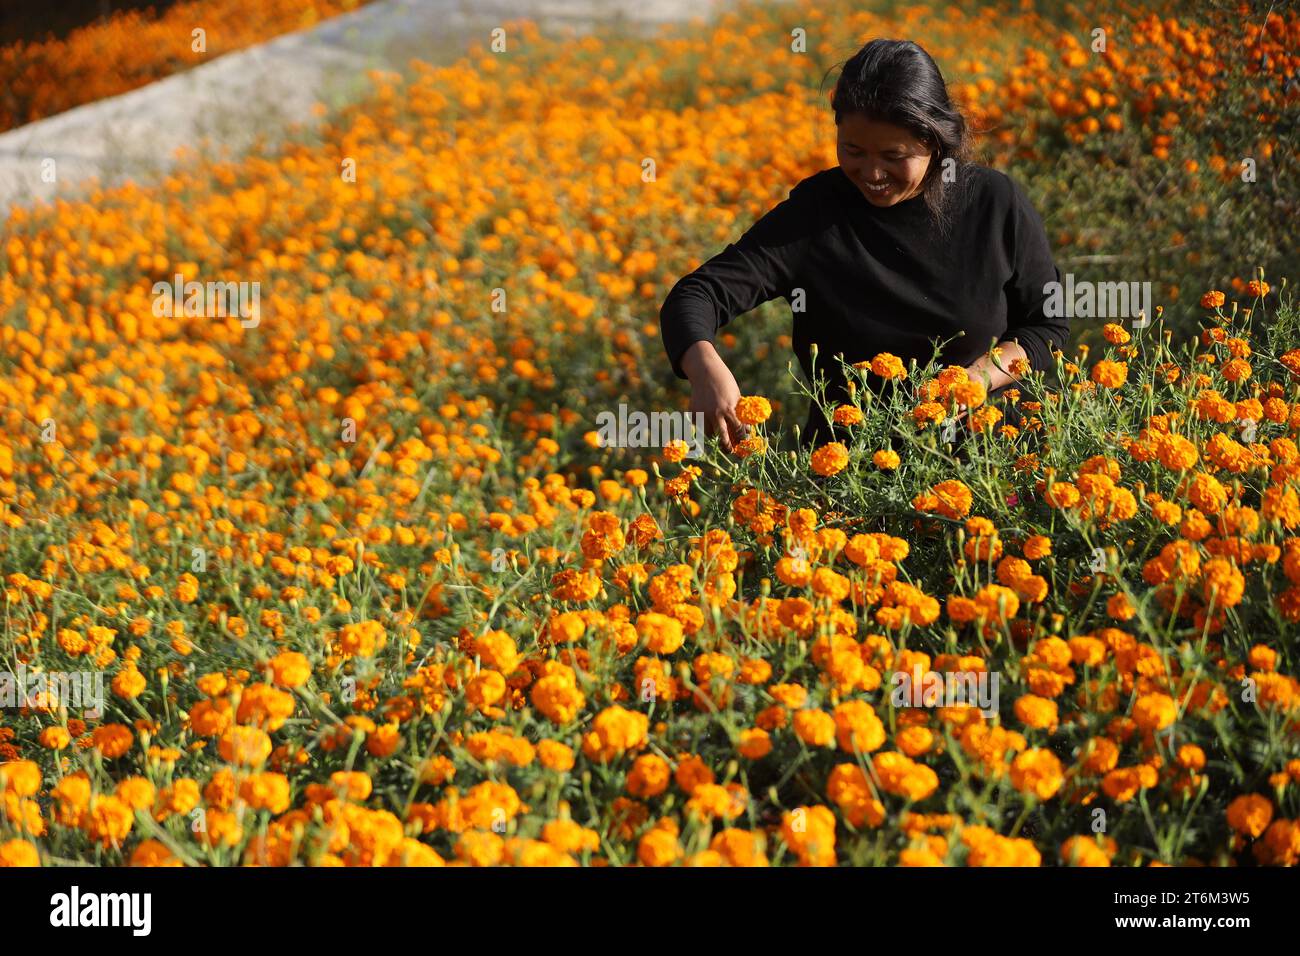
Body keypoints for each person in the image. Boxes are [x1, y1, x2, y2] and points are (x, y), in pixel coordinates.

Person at [659, 37, 1069, 452]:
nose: (871, 172)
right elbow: (696, 295)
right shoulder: (816, 213)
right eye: (853, 150)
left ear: (934, 140)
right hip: (851, 476)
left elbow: (1046, 324)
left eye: (893, 156)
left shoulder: (994, 203)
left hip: (989, 469)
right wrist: (705, 368)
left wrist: (980, 378)